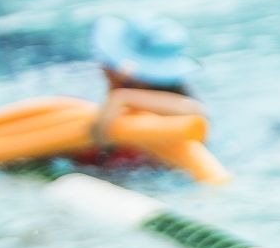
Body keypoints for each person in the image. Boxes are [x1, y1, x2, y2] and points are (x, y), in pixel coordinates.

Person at [87, 14, 205, 154]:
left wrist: (122, 97)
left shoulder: (178, 107)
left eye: (107, 61)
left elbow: (195, 112)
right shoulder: (121, 97)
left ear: (125, 71)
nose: (102, 66)